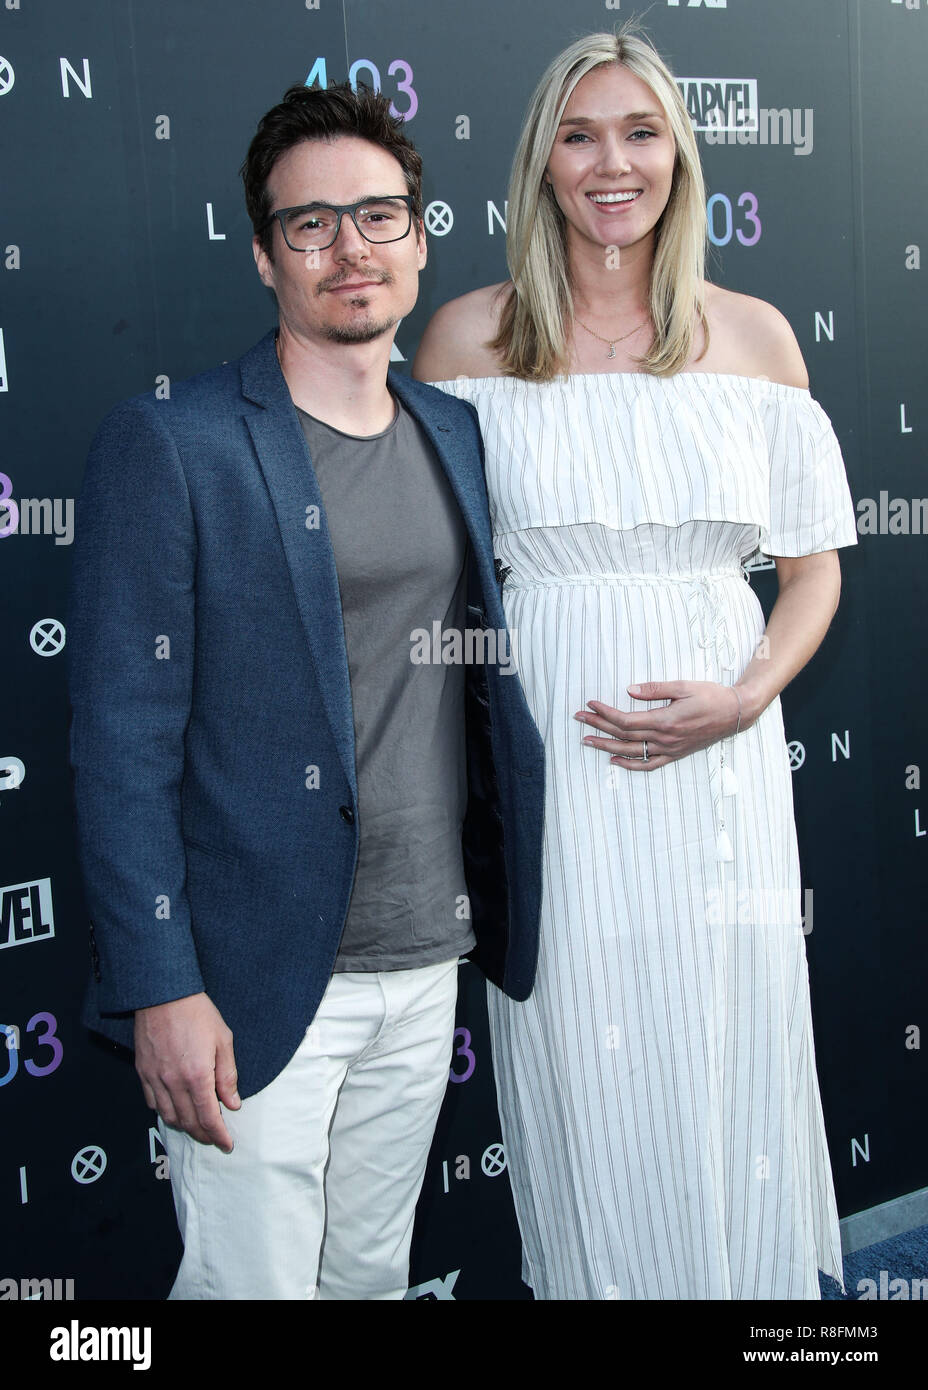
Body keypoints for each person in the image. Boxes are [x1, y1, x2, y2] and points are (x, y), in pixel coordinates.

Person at [66, 81, 544, 1301]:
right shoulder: (172, 441)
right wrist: (161, 983)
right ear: (265, 254)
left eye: (379, 216)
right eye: (310, 223)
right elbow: (121, 736)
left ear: (422, 237)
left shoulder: (456, 431)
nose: (351, 249)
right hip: (252, 974)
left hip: (424, 954)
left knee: (371, 1278)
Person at [414, 27, 857, 1300]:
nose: (613, 164)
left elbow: (814, 569)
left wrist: (747, 695)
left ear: (681, 154)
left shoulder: (757, 341)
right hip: (552, 769)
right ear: (541, 161)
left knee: (723, 1035)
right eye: (580, 133)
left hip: (724, 773)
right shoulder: (466, 343)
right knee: (581, 1064)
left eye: (641, 132)